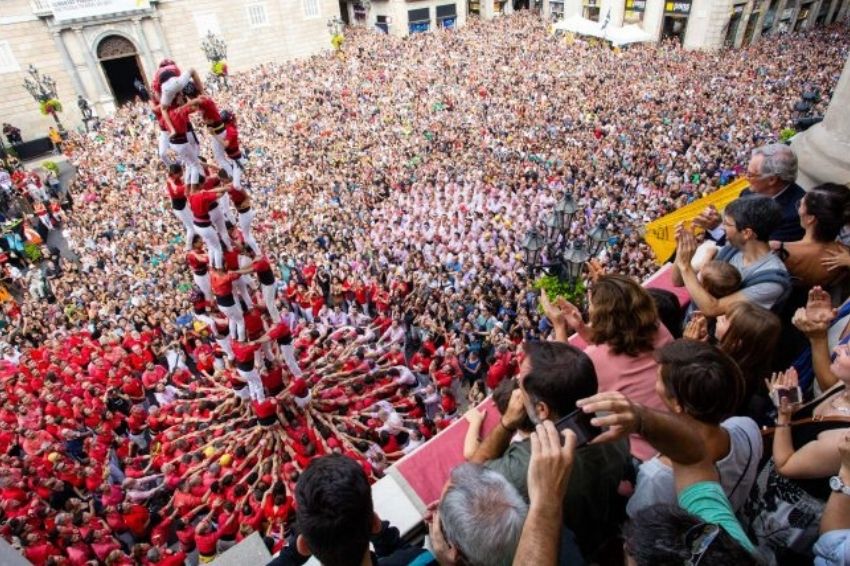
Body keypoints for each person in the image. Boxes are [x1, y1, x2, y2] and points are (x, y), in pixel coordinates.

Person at [469, 340, 630, 558]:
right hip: (607, 528)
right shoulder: (615, 422)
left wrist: (506, 423)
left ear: (541, 409)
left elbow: (470, 476)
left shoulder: (523, 467)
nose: (517, 388)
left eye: (520, 386)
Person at [622, 339, 762, 519]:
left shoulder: (657, 477)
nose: (655, 383)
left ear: (677, 403)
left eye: (658, 379)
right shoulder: (746, 429)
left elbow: (640, 523)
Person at [541, 277, 673, 462]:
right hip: (677, 427)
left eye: (592, 305)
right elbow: (620, 338)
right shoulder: (658, 328)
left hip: (646, 457)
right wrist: (581, 327)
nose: (589, 309)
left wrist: (559, 326)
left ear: (602, 315)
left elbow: (564, 380)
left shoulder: (595, 360)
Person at [674, 195, 790, 315]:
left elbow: (712, 309)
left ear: (747, 233)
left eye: (727, 224)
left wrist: (685, 265)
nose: (722, 228)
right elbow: (678, 281)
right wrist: (681, 249)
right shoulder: (730, 250)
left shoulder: (771, 282)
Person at [696, 143, 805, 244]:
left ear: (772, 180)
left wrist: (717, 229)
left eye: (750, 174)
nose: (746, 179)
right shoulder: (747, 193)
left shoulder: (797, 214)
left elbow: (758, 252)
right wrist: (718, 223)